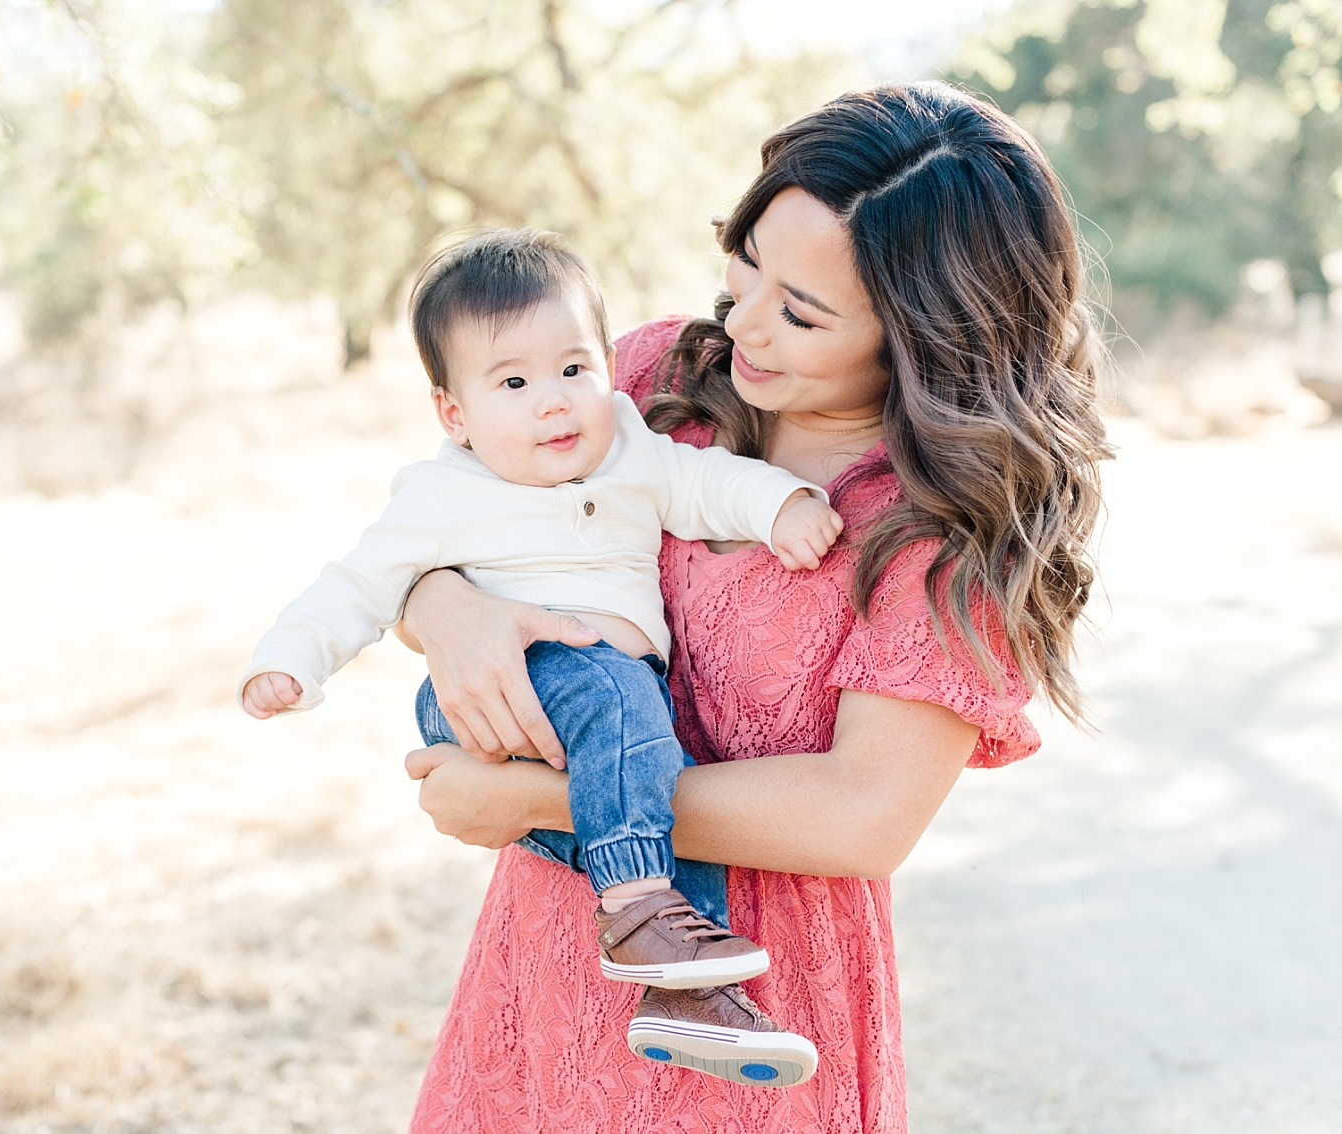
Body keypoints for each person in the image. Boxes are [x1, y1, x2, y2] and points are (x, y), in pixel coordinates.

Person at [397, 81, 1109, 1132]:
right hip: (549, 950)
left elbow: (863, 814)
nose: (743, 325)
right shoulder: (646, 380)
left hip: (761, 1004)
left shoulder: (939, 529)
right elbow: (442, 518)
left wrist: (542, 803)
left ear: (922, 333)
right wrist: (441, 604)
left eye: (801, 311)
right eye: (745, 269)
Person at [238, 228, 846, 1086]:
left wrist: (782, 505)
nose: (553, 402)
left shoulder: (631, 449)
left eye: (572, 370)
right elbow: (359, 583)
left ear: (605, 365)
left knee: (658, 778)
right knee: (622, 718)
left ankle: (690, 1000)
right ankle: (638, 912)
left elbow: (709, 483)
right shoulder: (444, 489)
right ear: (455, 414)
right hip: (502, 697)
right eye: (514, 384)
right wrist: (292, 661)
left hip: (615, 704)